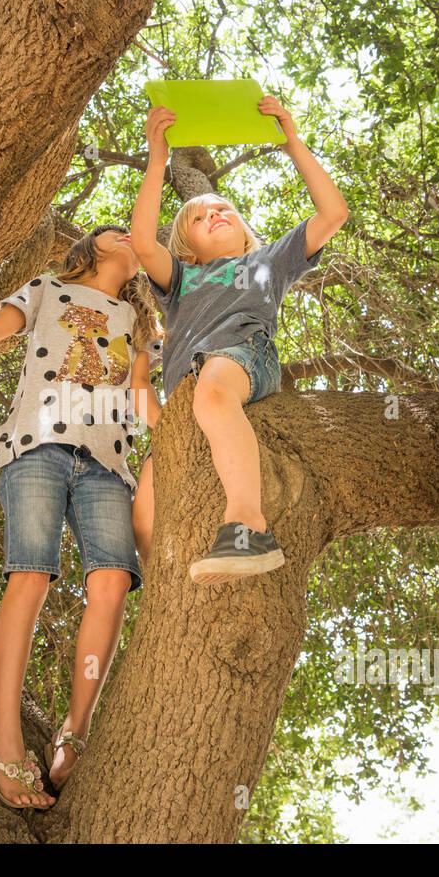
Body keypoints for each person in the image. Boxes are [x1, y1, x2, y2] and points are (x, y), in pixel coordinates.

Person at [0, 226, 163, 808]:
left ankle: (73, 734)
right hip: (38, 446)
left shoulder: (140, 328)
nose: (133, 235)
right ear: (90, 249)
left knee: (112, 582)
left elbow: (141, 402)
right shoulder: (47, 290)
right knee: (29, 574)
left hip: (109, 463)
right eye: (118, 229)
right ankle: (2, 737)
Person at [130, 94, 349, 584]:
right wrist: (157, 160)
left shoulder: (268, 261)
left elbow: (333, 214)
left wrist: (292, 143)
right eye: (200, 217)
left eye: (222, 207)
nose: (214, 215)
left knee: (212, 392)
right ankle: (160, 589)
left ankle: (249, 525)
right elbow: (144, 244)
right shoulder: (181, 280)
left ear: (244, 226)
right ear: (186, 245)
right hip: (186, 388)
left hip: (244, 354)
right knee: (143, 509)